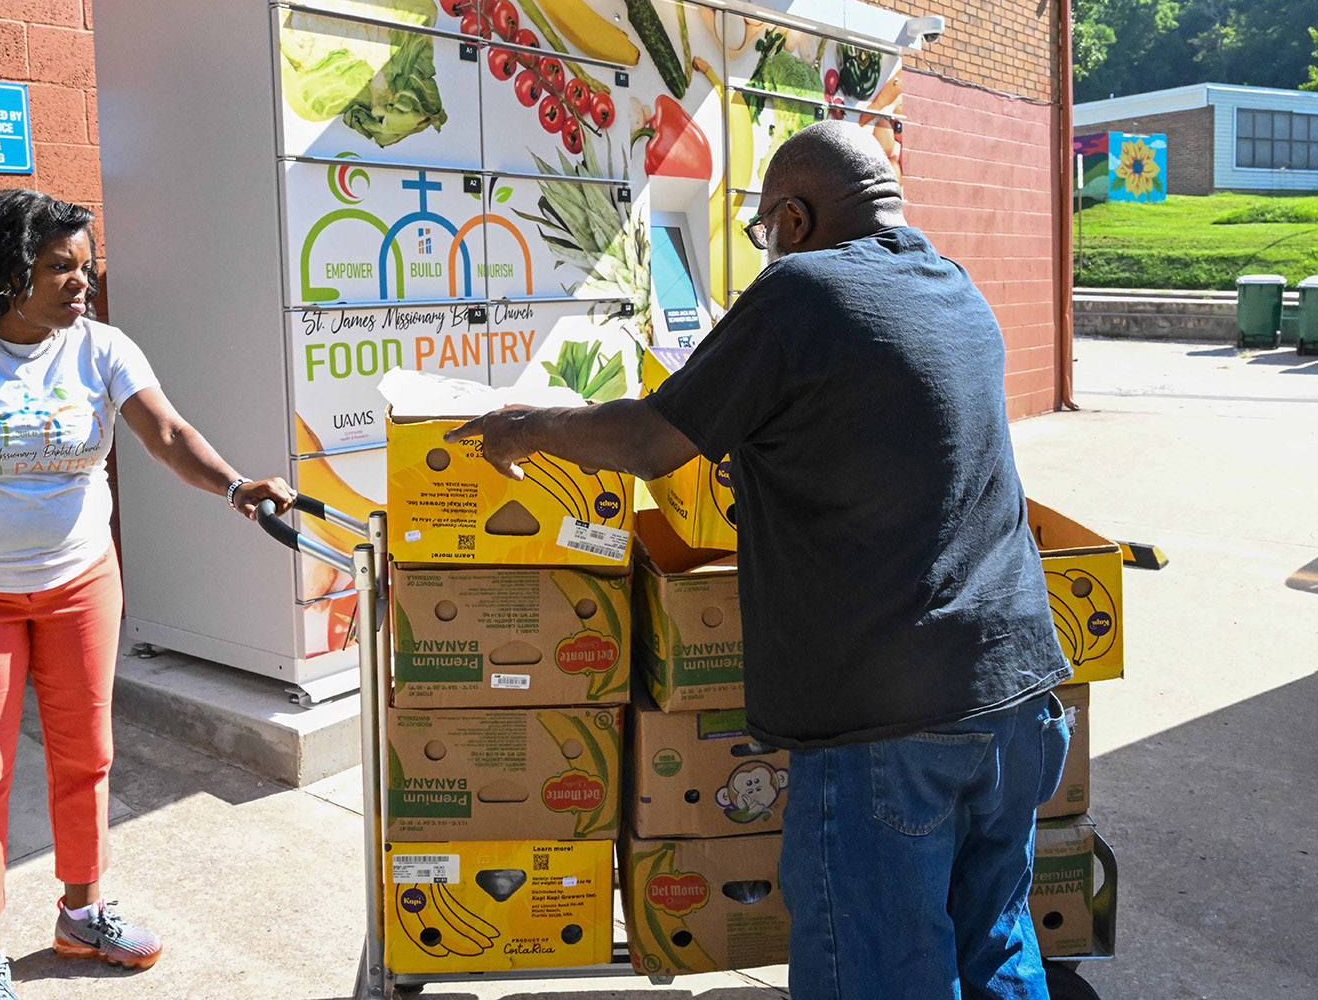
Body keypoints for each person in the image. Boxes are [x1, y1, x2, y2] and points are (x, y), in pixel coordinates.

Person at [449, 121, 1073, 1000]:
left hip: (888, 728)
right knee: (995, 946)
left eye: (763, 233)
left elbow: (652, 441)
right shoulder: (952, 283)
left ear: (797, 216)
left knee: (882, 975)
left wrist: (529, 425)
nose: (764, 252)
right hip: (1017, 697)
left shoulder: (803, 294)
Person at [0, 189, 295, 1000]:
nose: (82, 283)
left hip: (80, 583)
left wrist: (238, 487)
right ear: (6, 273)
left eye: (86, 267)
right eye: (62, 267)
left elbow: (166, 434)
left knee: (86, 755)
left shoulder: (101, 348)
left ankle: (81, 912)